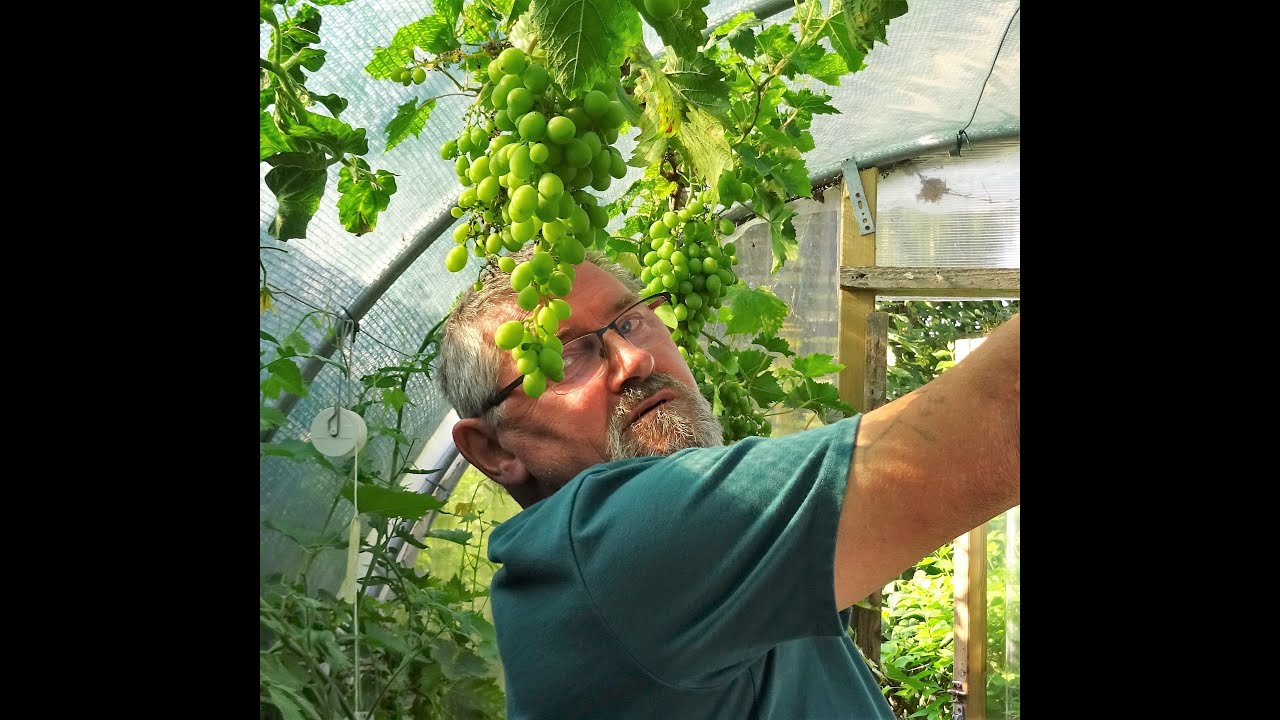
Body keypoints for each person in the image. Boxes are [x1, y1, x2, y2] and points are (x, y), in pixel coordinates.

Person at [436, 248, 1020, 719]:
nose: (635, 358)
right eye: (566, 356)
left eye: (632, 321)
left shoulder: (711, 576)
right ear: (491, 450)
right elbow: (1004, 412)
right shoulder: (611, 548)